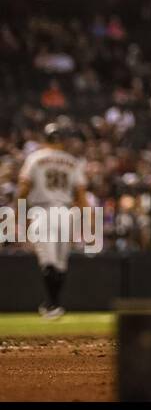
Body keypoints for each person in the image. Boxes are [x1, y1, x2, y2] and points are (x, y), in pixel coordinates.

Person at [17, 123, 88, 320]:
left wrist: (17, 214)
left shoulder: (35, 158)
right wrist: (89, 221)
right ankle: (54, 304)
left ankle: (52, 304)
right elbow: (81, 196)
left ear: (45, 139)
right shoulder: (71, 161)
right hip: (66, 213)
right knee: (60, 264)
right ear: (61, 141)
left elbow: (23, 189)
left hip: (42, 210)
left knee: (48, 262)